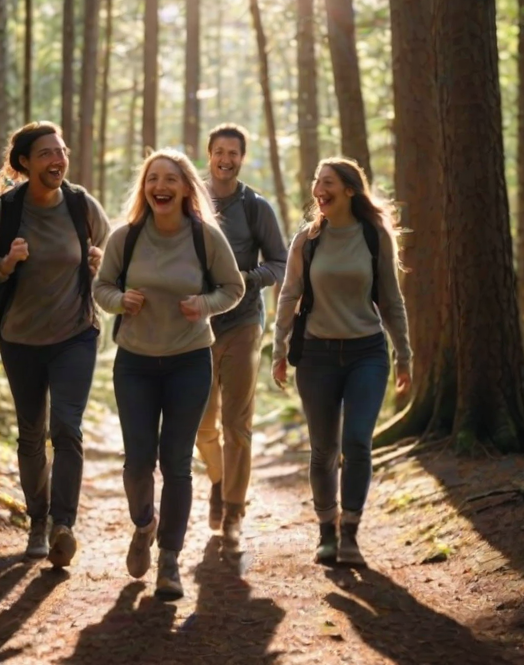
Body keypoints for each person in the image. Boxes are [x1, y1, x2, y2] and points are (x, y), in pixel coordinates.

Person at [93, 149, 244, 599]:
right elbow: (102, 287)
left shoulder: (204, 237)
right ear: (145, 188)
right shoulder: (126, 237)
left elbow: (233, 288)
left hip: (189, 360)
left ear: (185, 188)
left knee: (176, 462)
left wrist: (204, 305)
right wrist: (121, 302)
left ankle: (169, 560)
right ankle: (144, 525)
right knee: (139, 461)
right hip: (135, 362)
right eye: (153, 179)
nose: (161, 186)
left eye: (170, 179)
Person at [0, 121, 110, 568]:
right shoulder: (5, 211)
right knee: (31, 434)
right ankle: (38, 522)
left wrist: (102, 262)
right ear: (24, 162)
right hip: (20, 340)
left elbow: (118, 253)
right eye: (46, 153)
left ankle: (64, 525)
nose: (57, 160)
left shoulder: (81, 204)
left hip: (75, 335)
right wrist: (5, 264)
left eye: (61, 151)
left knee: (66, 427)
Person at [272, 157, 411, 566]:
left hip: (366, 352)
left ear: (349, 189)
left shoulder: (374, 236)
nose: (318, 188)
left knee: (357, 443)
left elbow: (391, 299)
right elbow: (288, 295)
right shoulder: (308, 239)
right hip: (315, 355)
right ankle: (326, 532)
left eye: (327, 182)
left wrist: (404, 353)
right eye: (316, 181)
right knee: (323, 450)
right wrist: (279, 348)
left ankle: (350, 532)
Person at [195, 123, 287, 546]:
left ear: (241, 158)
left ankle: (233, 507)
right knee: (201, 424)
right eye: (219, 152)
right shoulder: (189, 199)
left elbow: (280, 263)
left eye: (233, 153)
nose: (226, 159)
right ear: (209, 153)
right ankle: (218, 480)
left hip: (243, 323)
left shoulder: (255, 207)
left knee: (237, 423)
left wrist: (247, 279)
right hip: (194, 324)